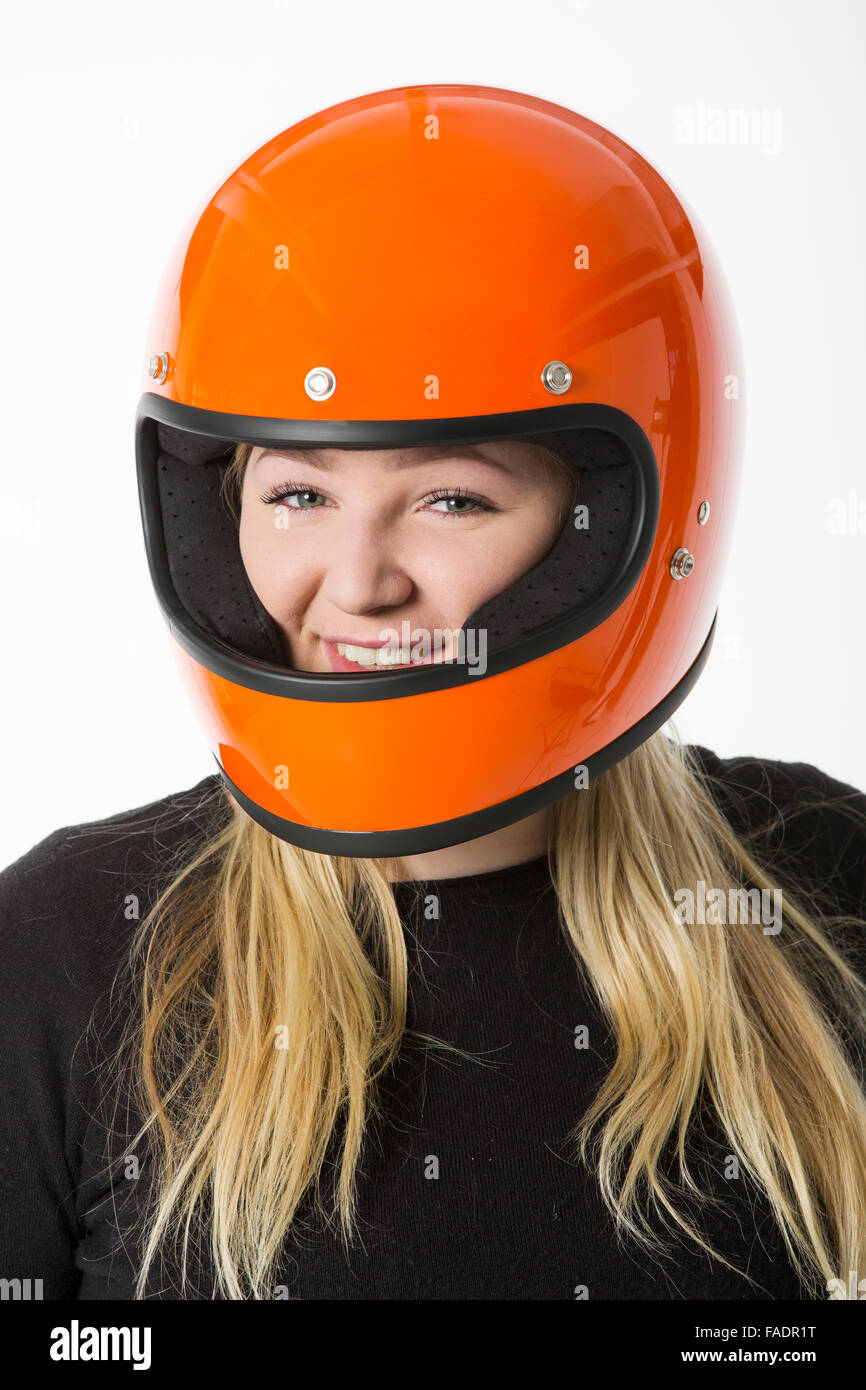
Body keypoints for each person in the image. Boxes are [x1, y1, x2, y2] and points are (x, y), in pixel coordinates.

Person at [1, 83, 865, 1303]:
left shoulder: (816, 887)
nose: (357, 583)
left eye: (451, 497)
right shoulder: (64, 951)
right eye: (297, 493)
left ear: (614, 522)